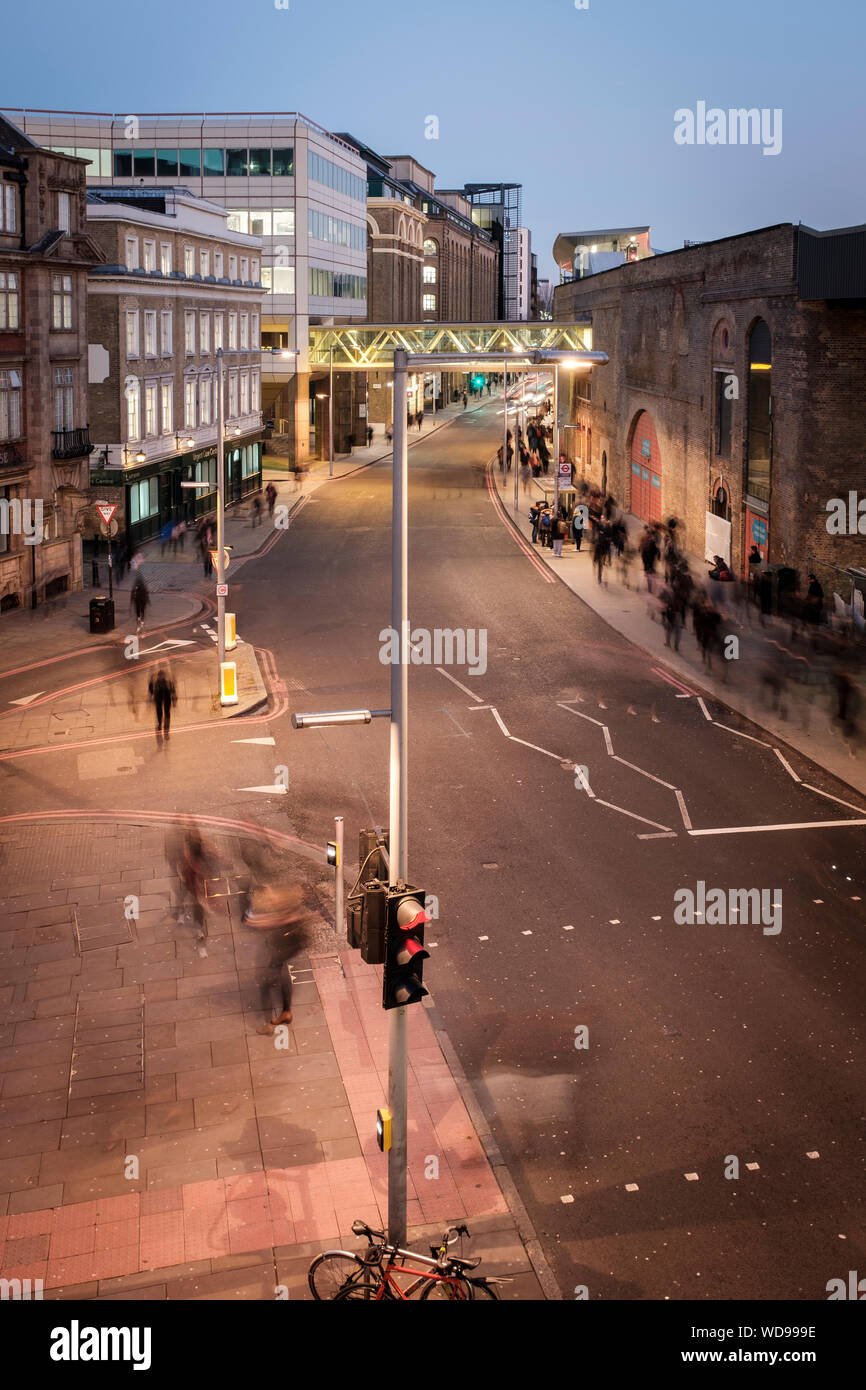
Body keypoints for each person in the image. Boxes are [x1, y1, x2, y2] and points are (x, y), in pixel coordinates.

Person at [242, 882, 313, 1033]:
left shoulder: (278, 906)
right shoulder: (285, 903)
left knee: (265, 983)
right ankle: (286, 1012)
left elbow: (262, 921)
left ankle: (268, 1023)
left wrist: (254, 921)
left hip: (283, 947)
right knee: (282, 973)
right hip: (288, 946)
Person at [148, 665, 176, 735]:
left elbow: (173, 690)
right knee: (159, 712)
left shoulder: (167, 682)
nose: (161, 677)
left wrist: (174, 699)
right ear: (158, 676)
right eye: (160, 675)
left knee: (167, 712)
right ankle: (160, 724)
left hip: (167, 699)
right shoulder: (156, 683)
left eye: (162, 675)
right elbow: (151, 690)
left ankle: (166, 726)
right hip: (158, 699)